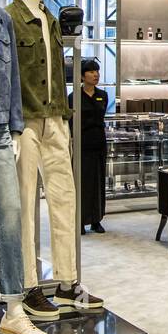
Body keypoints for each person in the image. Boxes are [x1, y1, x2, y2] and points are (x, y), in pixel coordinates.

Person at [69, 58, 109, 234]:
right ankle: (80, 220)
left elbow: (100, 117)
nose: (95, 75)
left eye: (97, 71)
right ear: (82, 76)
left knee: (98, 182)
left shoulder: (103, 94)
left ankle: (96, 219)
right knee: (82, 182)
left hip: (99, 143)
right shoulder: (74, 97)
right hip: (81, 144)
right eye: (91, 71)